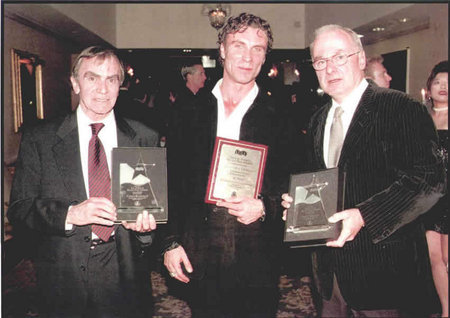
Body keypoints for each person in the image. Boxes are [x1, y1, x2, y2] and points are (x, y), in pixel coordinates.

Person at [282, 24, 444, 317]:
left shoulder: (400, 107)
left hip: (385, 274)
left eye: (339, 56)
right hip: (329, 279)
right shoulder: (318, 120)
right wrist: (296, 206)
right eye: (321, 61)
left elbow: (428, 180)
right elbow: (321, 182)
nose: (330, 67)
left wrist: (365, 215)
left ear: (360, 59)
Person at [7, 46, 159, 317]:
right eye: (92, 78)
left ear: (120, 86)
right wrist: (71, 214)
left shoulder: (143, 136)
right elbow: (19, 208)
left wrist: (145, 228)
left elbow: (150, 219)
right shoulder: (40, 138)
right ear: (75, 84)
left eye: (111, 79)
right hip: (62, 274)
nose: (103, 88)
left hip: (124, 272)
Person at [162, 13, 290, 317]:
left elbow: (293, 181)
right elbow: (171, 181)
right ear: (222, 50)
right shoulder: (188, 111)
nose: (247, 57)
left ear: (265, 57)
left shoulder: (281, 115)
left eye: (257, 49)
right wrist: (169, 243)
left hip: (257, 250)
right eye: (238, 46)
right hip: (200, 247)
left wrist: (264, 207)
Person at [423, 60, 448, 318]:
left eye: (448, 83)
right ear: (429, 86)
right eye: (439, 81)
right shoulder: (421, 115)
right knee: (435, 259)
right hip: (430, 196)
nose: (444, 87)